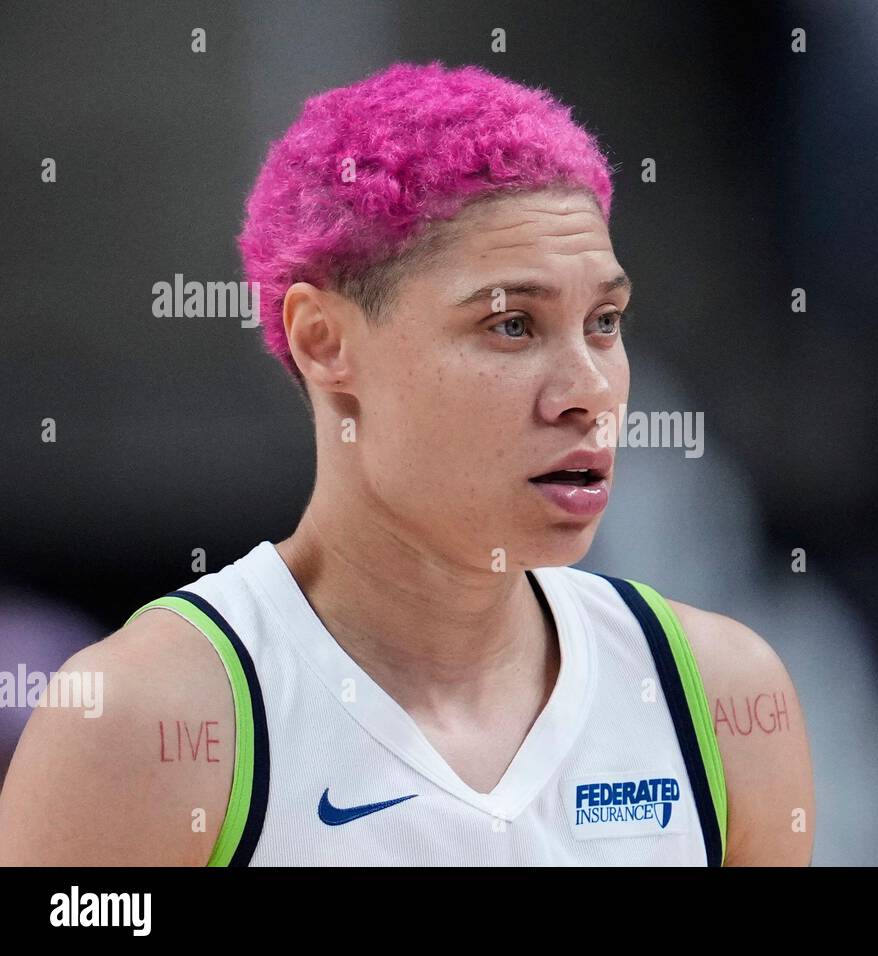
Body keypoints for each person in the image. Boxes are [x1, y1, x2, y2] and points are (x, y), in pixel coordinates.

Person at [0, 61, 814, 866]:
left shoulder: (717, 696)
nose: (590, 392)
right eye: (512, 326)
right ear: (326, 342)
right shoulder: (148, 722)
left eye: (604, 321)